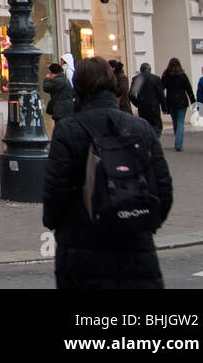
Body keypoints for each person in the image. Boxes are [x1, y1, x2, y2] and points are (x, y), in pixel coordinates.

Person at [42, 57, 173, 288]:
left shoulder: (68, 130)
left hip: (83, 247)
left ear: (79, 87)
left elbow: (55, 191)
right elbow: (163, 188)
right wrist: (141, 221)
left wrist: (59, 226)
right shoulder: (140, 127)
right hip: (134, 243)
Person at [160, 58, 196, 151]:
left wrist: (162, 102)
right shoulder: (182, 75)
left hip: (171, 101)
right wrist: (193, 101)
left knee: (175, 122)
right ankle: (178, 144)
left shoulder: (166, 75)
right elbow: (189, 89)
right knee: (180, 122)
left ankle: (178, 140)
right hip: (182, 101)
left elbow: (161, 89)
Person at [129, 63, 164, 136]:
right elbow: (161, 94)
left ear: (140, 70)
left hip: (142, 106)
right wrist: (164, 107)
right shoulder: (155, 78)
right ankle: (154, 139)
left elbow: (131, 94)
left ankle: (147, 140)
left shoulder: (138, 79)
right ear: (150, 70)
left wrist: (137, 103)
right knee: (156, 125)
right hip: (154, 106)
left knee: (144, 125)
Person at [43, 63, 75, 135]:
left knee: (60, 128)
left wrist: (46, 79)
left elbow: (45, 87)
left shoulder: (57, 80)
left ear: (52, 73)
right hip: (67, 108)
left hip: (60, 109)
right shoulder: (65, 79)